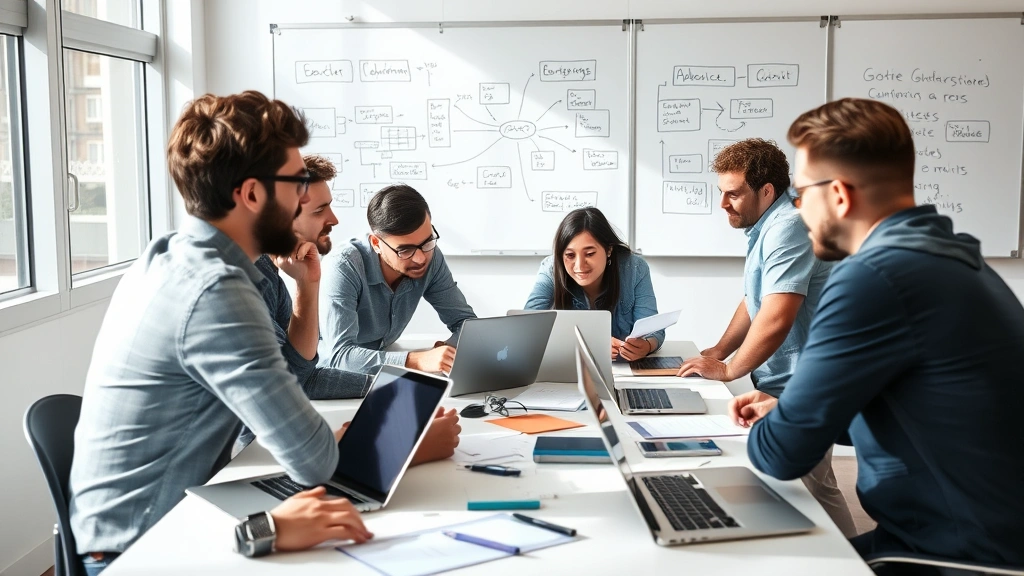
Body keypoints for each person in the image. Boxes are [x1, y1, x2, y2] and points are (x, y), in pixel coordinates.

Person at [68, 92, 371, 574]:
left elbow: (293, 402)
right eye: (295, 184)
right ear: (251, 194)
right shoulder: (216, 290)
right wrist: (383, 448)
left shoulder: (169, 255)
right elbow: (312, 460)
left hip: (168, 518)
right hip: (139, 552)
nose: (301, 199)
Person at [731, 98, 1024, 566]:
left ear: (841, 196)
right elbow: (916, 413)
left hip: (957, 556)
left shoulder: (876, 276)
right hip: (981, 536)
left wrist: (785, 420)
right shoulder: (952, 257)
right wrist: (790, 406)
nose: (799, 211)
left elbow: (781, 455)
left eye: (802, 195)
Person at [677, 138, 855, 537]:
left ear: (767, 191)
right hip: (787, 378)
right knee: (806, 485)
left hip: (801, 380)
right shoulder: (770, 224)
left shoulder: (789, 226)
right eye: (721, 193)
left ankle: (850, 565)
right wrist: (721, 350)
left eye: (733, 194)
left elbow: (776, 317)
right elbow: (756, 296)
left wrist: (727, 369)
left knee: (812, 488)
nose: (723, 203)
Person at [242, 155, 460, 463]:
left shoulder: (273, 277)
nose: (334, 219)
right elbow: (270, 427)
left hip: (269, 455)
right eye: (320, 210)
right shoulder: (241, 286)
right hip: (246, 463)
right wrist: (402, 445)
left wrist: (403, 393)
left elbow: (302, 379)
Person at [317, 184, 476, 375]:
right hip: (327, 379)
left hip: (384, 369)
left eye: (427, 241)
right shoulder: (343, 266)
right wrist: (416, 360)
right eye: (405, 250)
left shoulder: (430, 256)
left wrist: (446, 352)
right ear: (376, 243)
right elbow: (339, 357)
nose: (420, 258)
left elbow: (467, 324)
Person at [525, 207, 662, 361]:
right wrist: (589, 342)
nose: (579, 265)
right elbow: (527, 326)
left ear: (609, 249)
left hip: (622, 371)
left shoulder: (634, 268)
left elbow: (653, 329)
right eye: (570, 255)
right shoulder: (551, 268)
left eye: (589, 254)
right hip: (570, 367)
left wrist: (647, 345)